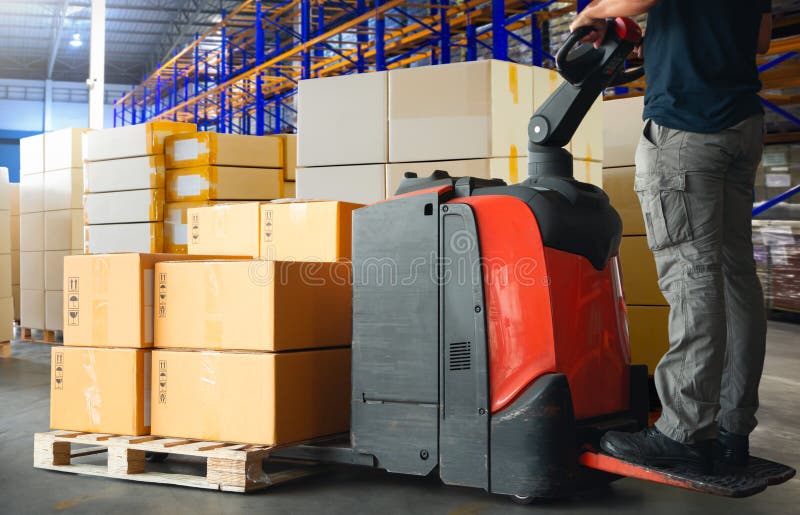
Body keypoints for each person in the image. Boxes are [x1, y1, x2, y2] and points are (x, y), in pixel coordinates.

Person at [570, 0, 773, 474]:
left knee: (693, 278)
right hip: (741, 124)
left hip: (688, 123)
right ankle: (732, 426)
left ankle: (684, 429)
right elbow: (758, 39)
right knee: (735, 278)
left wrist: (597, 11)